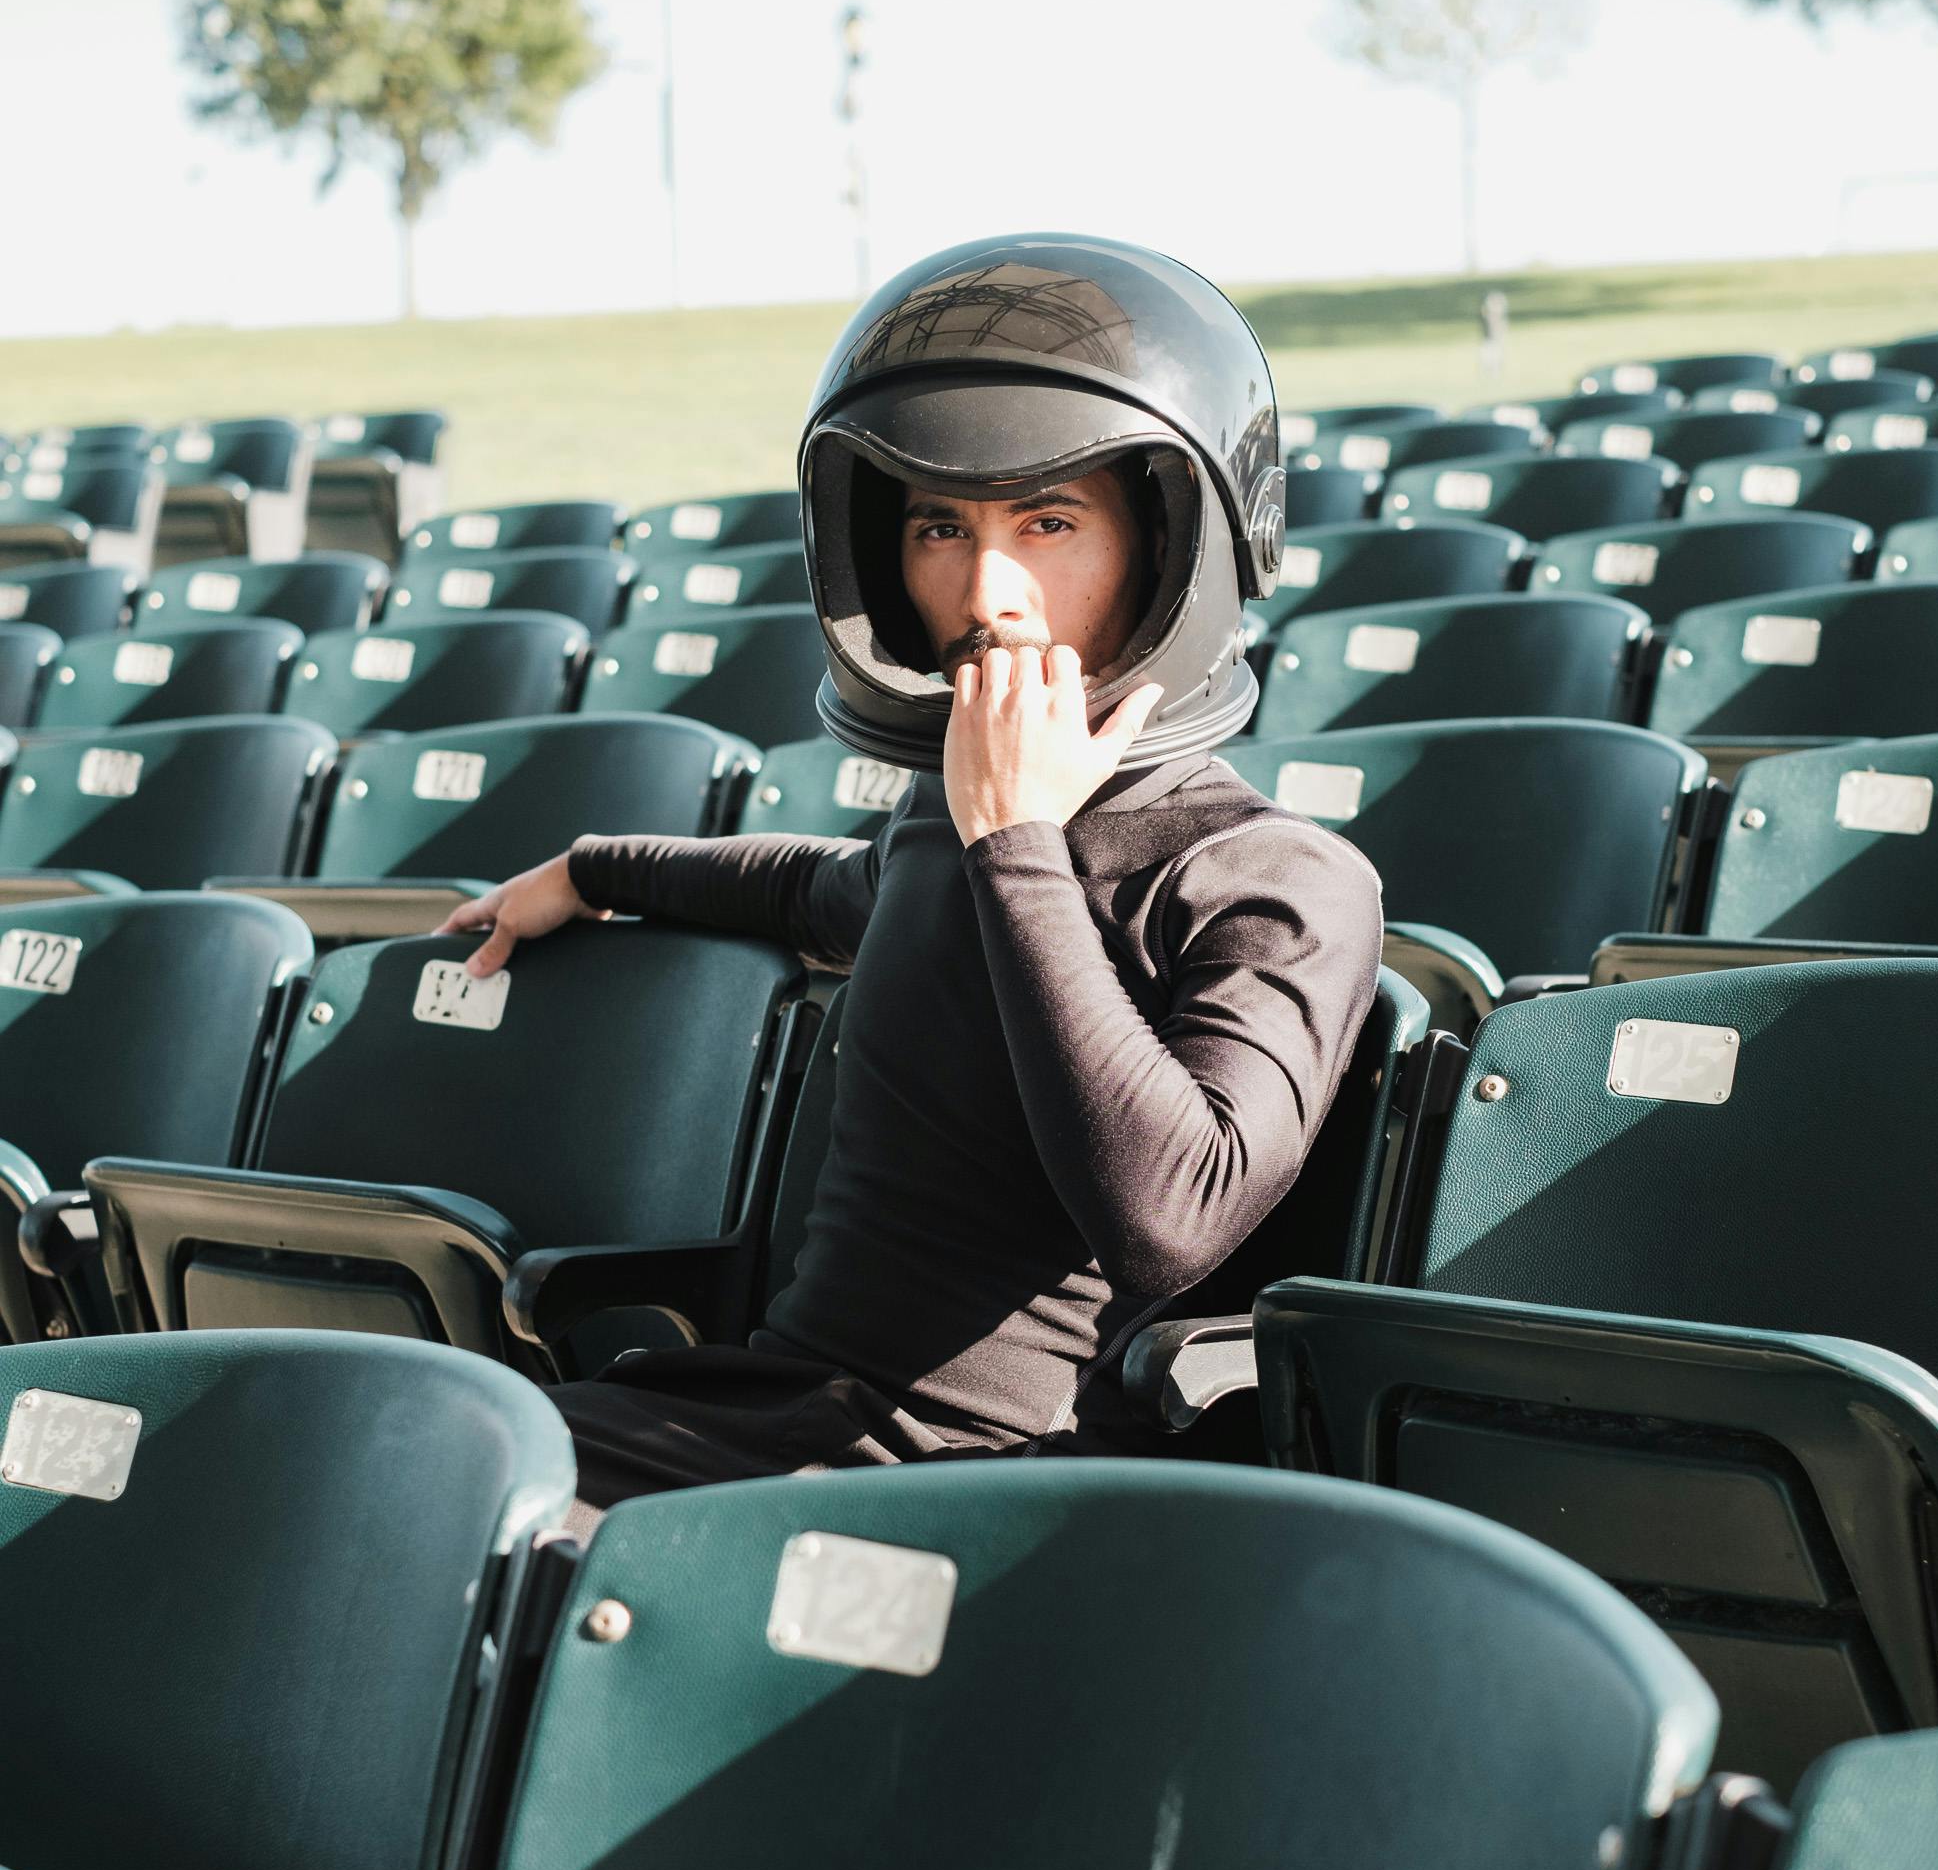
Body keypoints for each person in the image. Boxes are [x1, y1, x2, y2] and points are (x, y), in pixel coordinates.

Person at [440, 232, 1384, 1504]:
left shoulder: (1278, 878)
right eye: (941, 526)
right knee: (406, 1463)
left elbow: (1172, 1217)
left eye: (1048, 522)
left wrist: (1018, 843)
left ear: (1171, 546)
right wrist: (595, 868)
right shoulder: (948, 826)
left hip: (992, 1482)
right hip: (780, 1409)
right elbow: (820, 889)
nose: (985, 592)